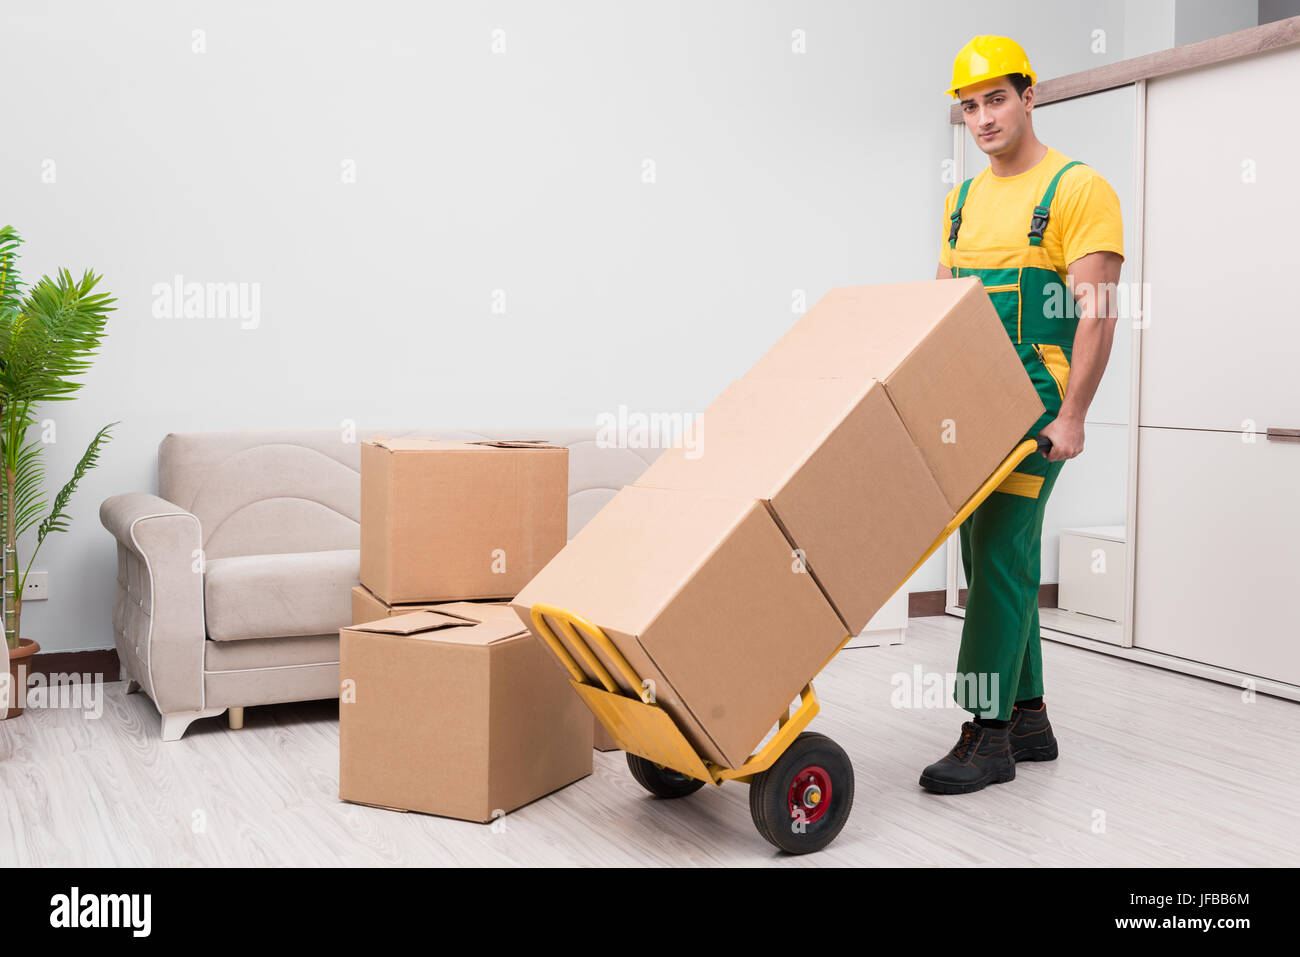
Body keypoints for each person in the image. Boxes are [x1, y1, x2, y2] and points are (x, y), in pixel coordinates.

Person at [919, 35, 1125, 795]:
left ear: (1029, 94)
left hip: (1040, 409)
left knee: (1000, 549)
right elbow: (941, 312)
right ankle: (1030, 714)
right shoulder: (962, 200)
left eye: (995, 98)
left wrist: (1073, 417)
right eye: (969, 106)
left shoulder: (1077, 189)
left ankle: (986, 735)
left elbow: (1098, 316)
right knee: (988, 554)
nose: (982, 118)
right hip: (975, 408)